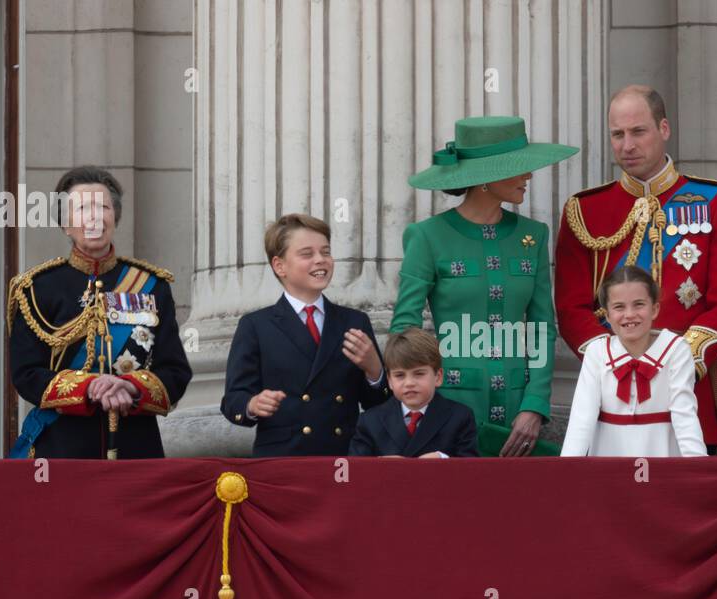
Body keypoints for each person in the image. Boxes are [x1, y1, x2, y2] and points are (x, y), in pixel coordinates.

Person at [554, 85, 717, 454]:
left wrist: (672, 364)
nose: (627, 145)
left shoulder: (716, 202)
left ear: (664, 129)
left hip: (688, 391)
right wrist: (616, 365)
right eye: (617, 134)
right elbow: (570, 309)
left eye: (638, 131)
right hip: (609, 400)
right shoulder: (584, 211)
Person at [392, 115, 576, 457]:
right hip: (448, 406)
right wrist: (422, 401)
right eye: (519, 167)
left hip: (518, 409)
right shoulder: (427, 237)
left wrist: (534, 404)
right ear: (486, 178)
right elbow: (405, 328)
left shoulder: (532, 236)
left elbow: (541, 327)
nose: (528, 175)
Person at [7, 166, 192, 458]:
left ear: (114, 217)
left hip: (136, 446)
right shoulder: (37, 288)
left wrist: (129, 387)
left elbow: (175, 372)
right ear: (66, 224)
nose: (94, 216)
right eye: (82, 208)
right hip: (63, 448)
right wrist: (90, 387)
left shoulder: (152, 286)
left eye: (102, 207)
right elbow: (27, 374)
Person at [222, 213, 389, 456]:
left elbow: (379, 406)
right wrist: (253, 404)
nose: (321, 260)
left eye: (326, 252)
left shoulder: (354, 321)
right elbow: (233, 400)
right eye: (307, 254)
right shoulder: (255, 326)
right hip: (283, 460)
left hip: (344, 458)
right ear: (280, 266)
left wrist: (375, 371)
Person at [561, 266, 705, 457]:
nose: (629, 314)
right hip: (609, 471)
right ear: (607, 315)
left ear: (654, 309)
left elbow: (684, 415)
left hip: (663, 469)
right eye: (619, 307)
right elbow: (581, 419)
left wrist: (699, 470)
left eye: (639, 304)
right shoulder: (597, 353)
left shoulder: (677, 349)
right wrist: (567, 471)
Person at [349, 327, 479, 458]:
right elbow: (356, 471)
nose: (409, 383)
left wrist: (444, 460)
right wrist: (379, 466)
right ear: (389, 381)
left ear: (438, 377)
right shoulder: (369, 422)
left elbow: (472, 471)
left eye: (419, 374)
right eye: (400, 375)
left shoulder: (460, 417)